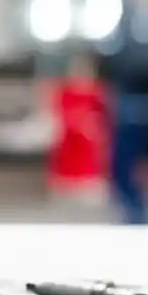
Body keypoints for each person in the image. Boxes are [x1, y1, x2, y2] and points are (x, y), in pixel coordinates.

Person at [48, 53, 113, 202]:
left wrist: (94, 125)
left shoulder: (97, 91)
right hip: (70, 138)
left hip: (89, 139)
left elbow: (103, 114)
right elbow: (61, 113)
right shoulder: (64, 91)